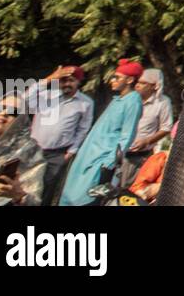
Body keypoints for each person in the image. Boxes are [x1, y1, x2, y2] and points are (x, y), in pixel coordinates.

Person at [59, 58, 144, 206]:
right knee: (70, 193)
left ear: (130, 80)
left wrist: (110, 162)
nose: (113, 80)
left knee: (87, 197)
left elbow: (127, 135)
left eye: (117, 77)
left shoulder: (133, 101)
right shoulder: (118, 99)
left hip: (102, 160)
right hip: (88, 155)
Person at [25, 65, 95, 206]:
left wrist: (72, 149)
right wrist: (51, 78)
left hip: (57, 154)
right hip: (33, 150)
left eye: (71, 80)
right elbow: (25, 98)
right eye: (63, 80)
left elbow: (83, 128)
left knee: (47, 187)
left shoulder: (86, 103)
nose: (67, 84)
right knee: (26, 183)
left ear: (79, 82)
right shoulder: (47, 95)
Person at [120, 68, 173, 190]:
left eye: (143, 83)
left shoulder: (163, 102)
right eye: (138, 82)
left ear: (154, 86)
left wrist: (147, 141)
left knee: (128, 190)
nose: (138, 85)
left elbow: (166, 127)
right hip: (118, 153)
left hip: (138, 156)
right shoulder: (131, 99)